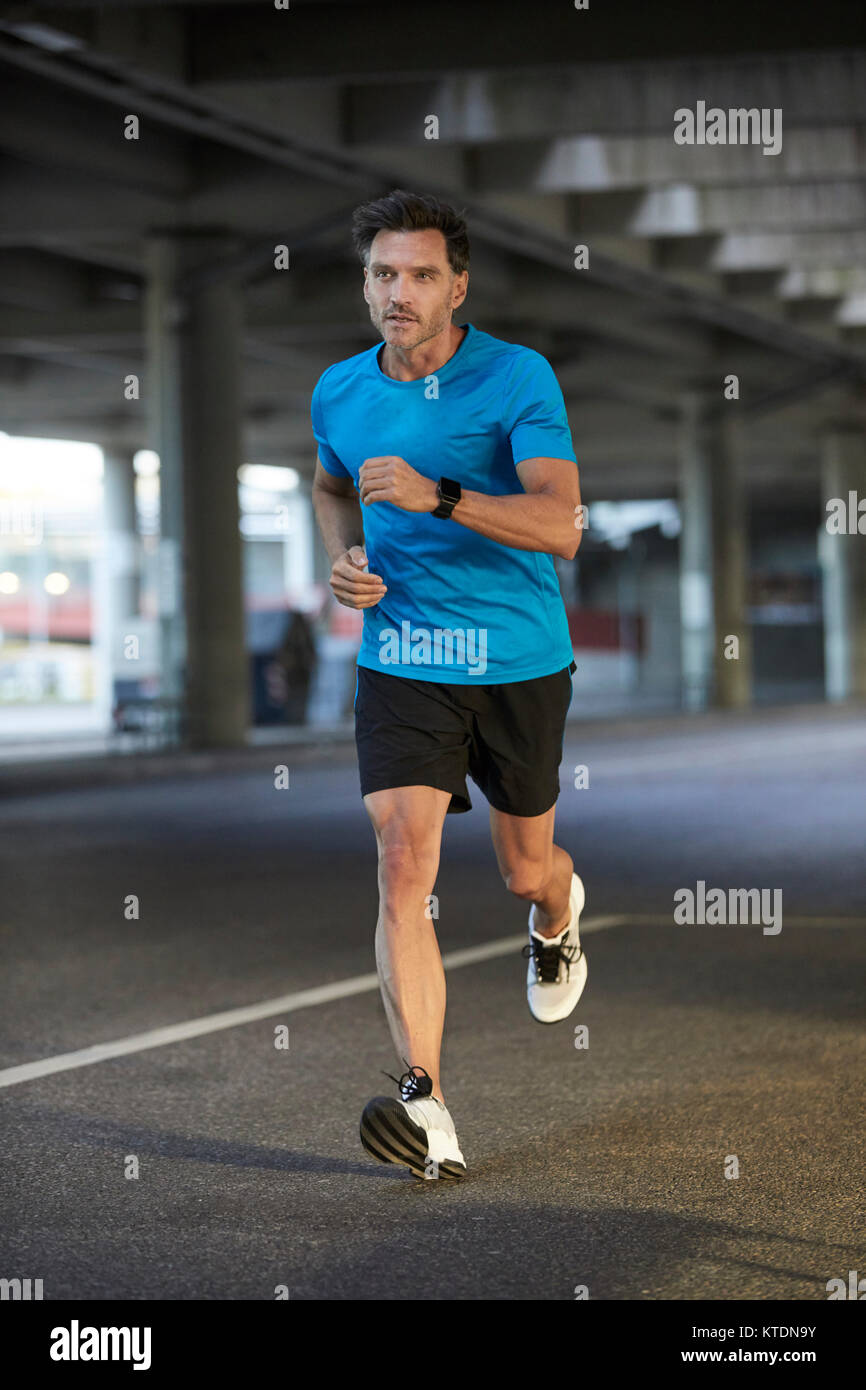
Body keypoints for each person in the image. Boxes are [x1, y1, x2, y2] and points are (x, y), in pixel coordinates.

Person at [310, 189, 587, 1182]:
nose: (398, 292)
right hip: (403, 659)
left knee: (524, 867)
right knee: (400, 861)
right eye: (383, 273)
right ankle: (423, 1100)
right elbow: (330, 483)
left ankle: (555, 919)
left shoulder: (515, 377)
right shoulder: (339, 390)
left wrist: (444, 496)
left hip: (514, 658)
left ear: (456, 286)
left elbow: (560, 524)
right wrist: (342, 562)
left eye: (420, 274)